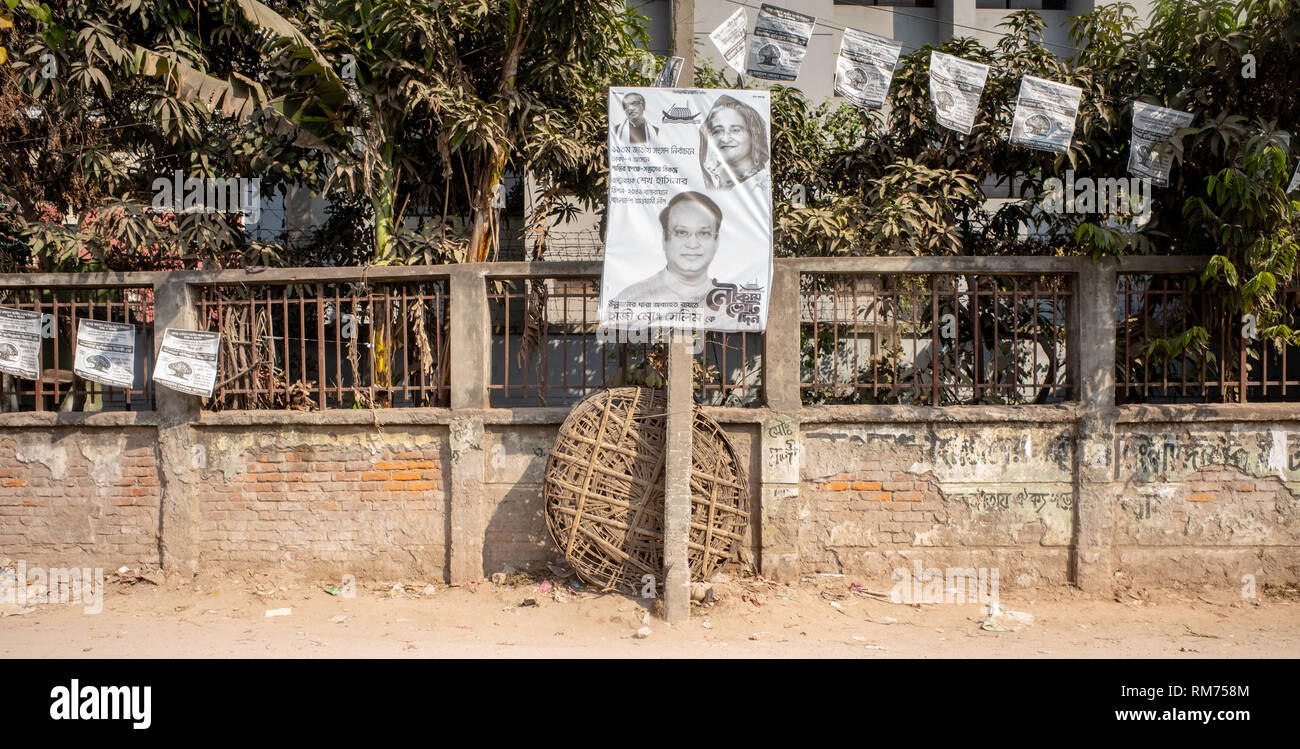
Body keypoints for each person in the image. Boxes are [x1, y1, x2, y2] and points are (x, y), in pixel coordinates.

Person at [615, 191, 723, 305]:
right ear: (664, 239)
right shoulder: (631, 299)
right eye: (681, 232)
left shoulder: (732, 306)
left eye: (703, 233)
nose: (693, 244)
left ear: (716, 241)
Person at [699, 95, 770, 191]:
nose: (725, 139)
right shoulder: (711, 178)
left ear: (753, 135)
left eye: (735, 130)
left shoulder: (762, 184)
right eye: (718, 131)